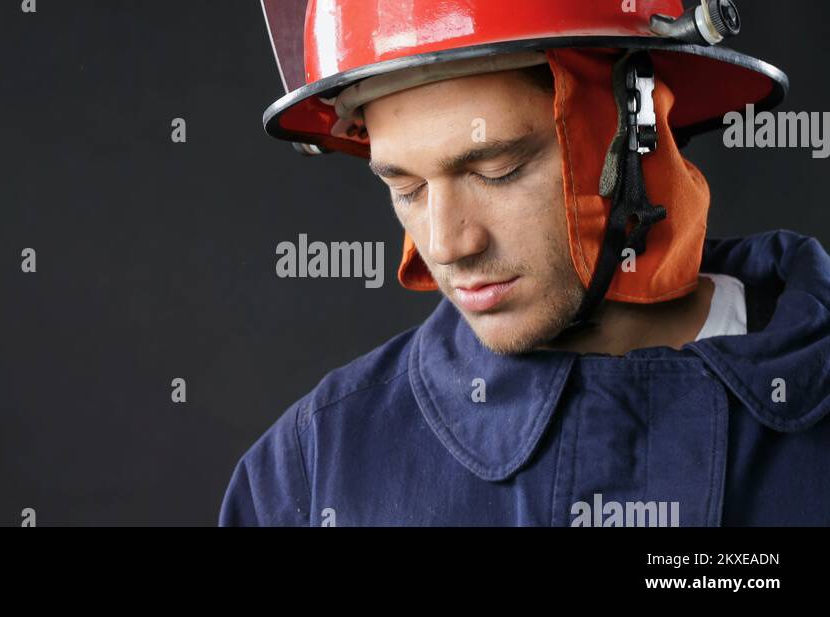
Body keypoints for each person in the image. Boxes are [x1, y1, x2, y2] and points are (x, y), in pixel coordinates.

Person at [219, 0, 830, 526]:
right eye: (406, 188)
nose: (448, 245)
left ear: (635, 126)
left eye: (496, 171)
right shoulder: (309, 475)